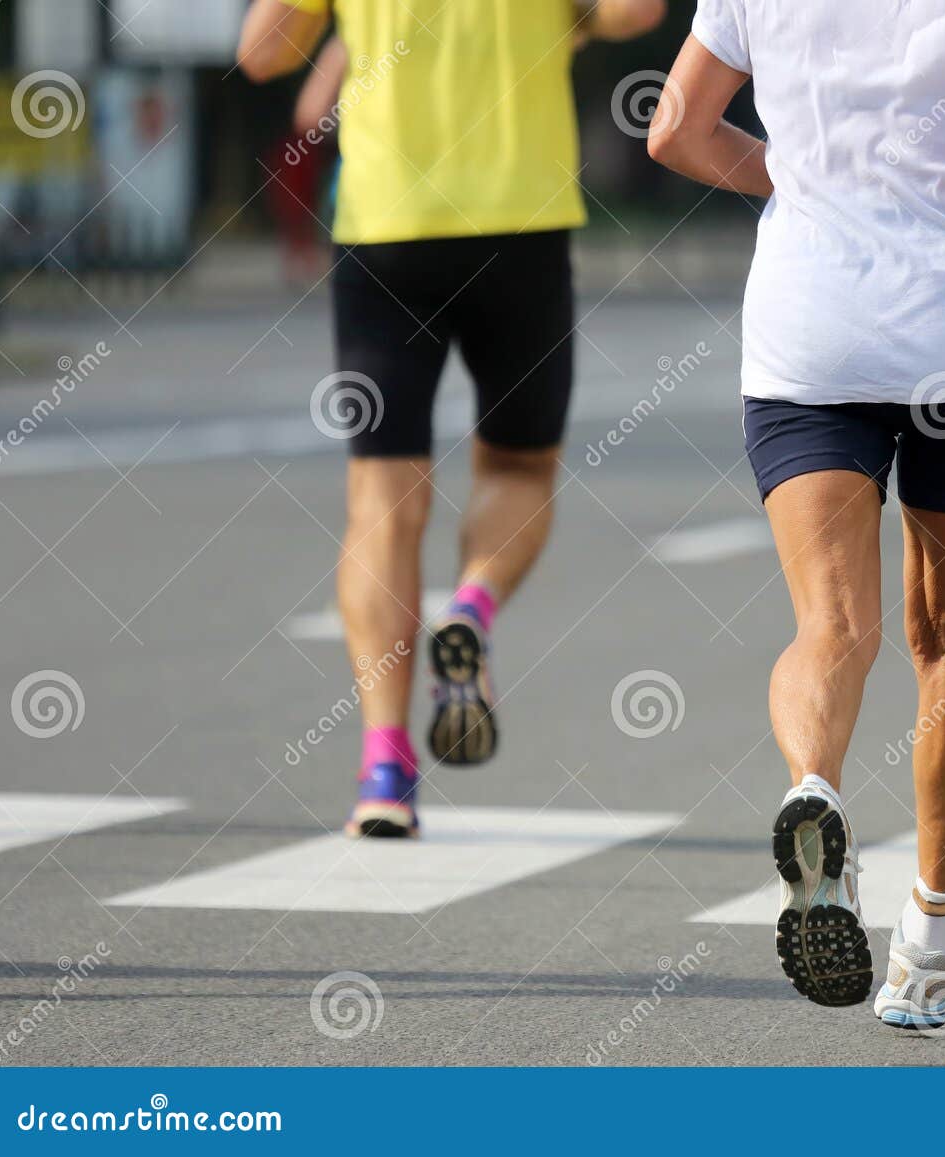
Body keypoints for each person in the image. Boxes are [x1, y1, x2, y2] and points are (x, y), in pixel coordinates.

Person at [650, 0, 945, 1027]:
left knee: (831, 626)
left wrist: (797, 179)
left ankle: (814, 789)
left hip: (810, 329)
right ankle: (930, 938)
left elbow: (674, 130)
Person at [236, 0, 666, 839]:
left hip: (387, 227)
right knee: (518, 468)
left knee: (381, 503)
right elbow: (635, 10)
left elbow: (262, 54)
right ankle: (470, 605)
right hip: (521, 224)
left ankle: (385, 769)